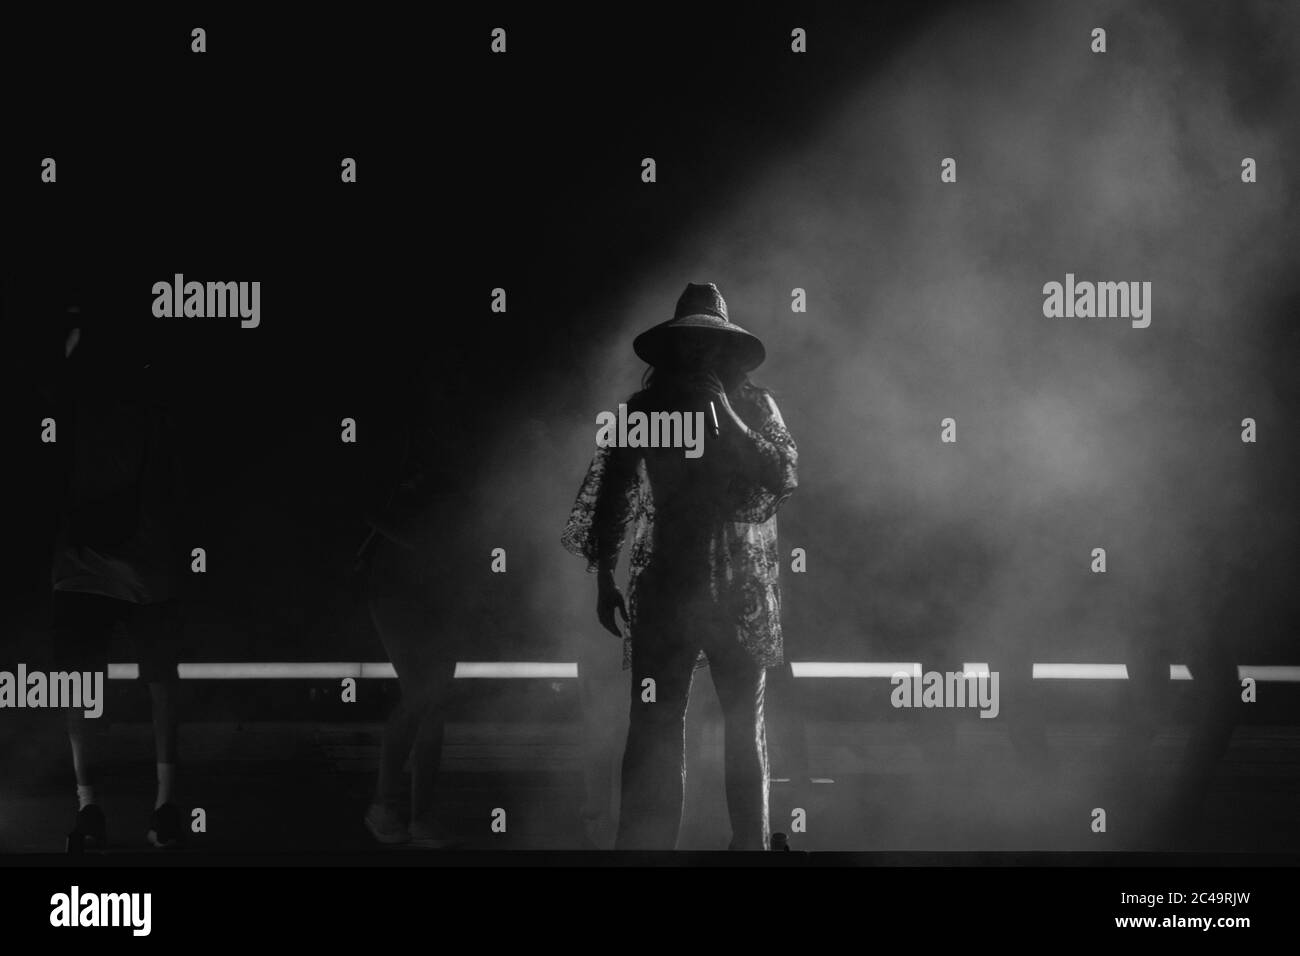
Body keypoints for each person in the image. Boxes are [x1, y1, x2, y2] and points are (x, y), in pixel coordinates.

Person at [563, 282, 797, 850]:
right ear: (671, 351)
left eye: (707, 345)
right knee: (653, 723)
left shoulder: (752, 404)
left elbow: (783, 474)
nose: (698, 354)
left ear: (726, 353)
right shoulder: (644, 411)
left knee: (745, 725)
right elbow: (614, 495)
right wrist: (603, 577)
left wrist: (721, 410)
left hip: (741, 585)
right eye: (688, 344)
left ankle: (750, 847)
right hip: (668, 581)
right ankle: (645, 846)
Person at [47, 305, 187, 851]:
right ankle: (151, 806)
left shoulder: (82, 401)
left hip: (116, 566)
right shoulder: (137, 401)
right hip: (124, 566)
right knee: (154, 686)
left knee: (135, 686)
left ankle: (108, 809)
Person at [357, 371, 461, 849]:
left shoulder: (448, 451)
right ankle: (384, 806)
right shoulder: (398, 448)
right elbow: (361, 510)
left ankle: (419, 815)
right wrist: (422, 545)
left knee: (433, 701)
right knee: (423, 695)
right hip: (399, 586)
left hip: (436, 587)